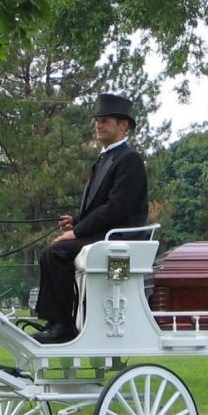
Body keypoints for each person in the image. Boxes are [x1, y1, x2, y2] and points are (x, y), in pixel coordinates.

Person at [33, 93, 149, 344]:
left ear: (123, 125)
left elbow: (117, 208)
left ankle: (63, 325)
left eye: (105, 120)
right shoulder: (105, 159)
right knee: (52, 251)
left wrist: (77, 232)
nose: (98, 125)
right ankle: (56, 321)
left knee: (55, 253)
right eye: (98, 120)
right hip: (102, 233)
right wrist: (76, 222)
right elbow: (100, 206)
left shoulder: (129, 159)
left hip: (119, 237)